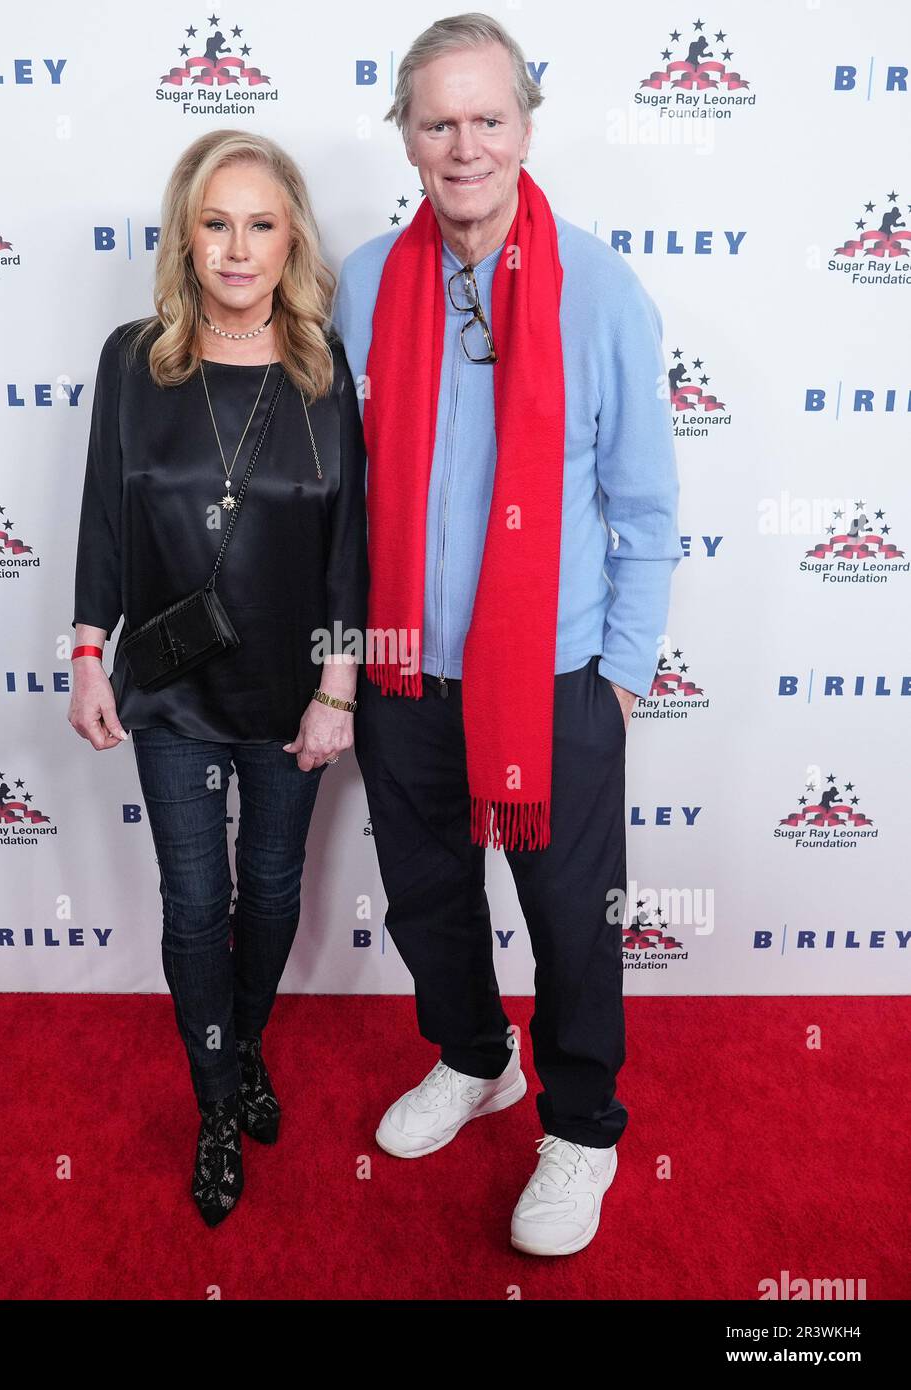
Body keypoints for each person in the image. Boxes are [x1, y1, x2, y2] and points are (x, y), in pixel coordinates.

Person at [332, 12, 681, 1256]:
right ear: (409, 138)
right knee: (428, 897)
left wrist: (622, 678)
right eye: (439, 120)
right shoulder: (366, 281)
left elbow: (643, 503)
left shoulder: (599, 285)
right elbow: (343, 495)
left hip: (553, 676)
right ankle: (474, 1058)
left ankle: (580, 1124)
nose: (464, 143)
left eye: (488, 116)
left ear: (526, 125)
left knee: (572, 921)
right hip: (399, 668)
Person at [68, 129, 368, 1227]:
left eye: (260, 224)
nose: (236, 249)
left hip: (291, 689)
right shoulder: (132, 358)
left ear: (290, 238)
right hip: (172, 691)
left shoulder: (323, 366)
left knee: (275, 889)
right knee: (196, 903)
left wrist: (338, 689)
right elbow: (104, 515)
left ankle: (244, 1046)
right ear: (185, 235)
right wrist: (86, 652)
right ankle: (212, 1101)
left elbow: (349, 545)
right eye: (214, 222)